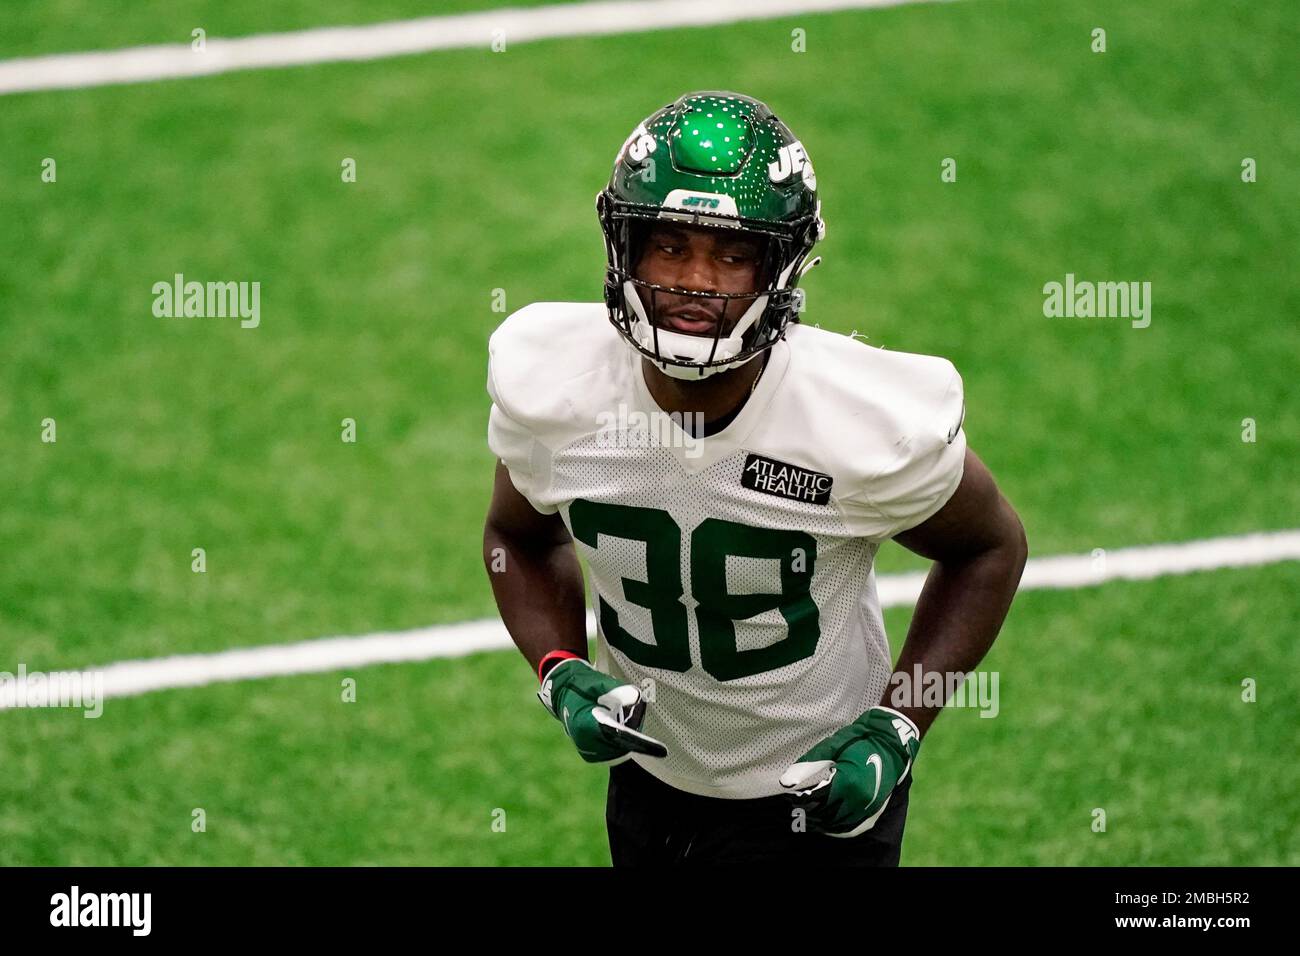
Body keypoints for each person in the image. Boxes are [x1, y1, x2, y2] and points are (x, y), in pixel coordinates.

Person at [483, 91, 1027, 865]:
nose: (696, 281)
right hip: (649, 788)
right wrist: (560, 667)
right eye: (669, 246)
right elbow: (515, 538)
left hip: (821, 796)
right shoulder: (560, 393)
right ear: (625, 249)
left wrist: (899, 724)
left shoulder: (858, 423)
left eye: (732, 255)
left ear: (780, 265)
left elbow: (989, 550)